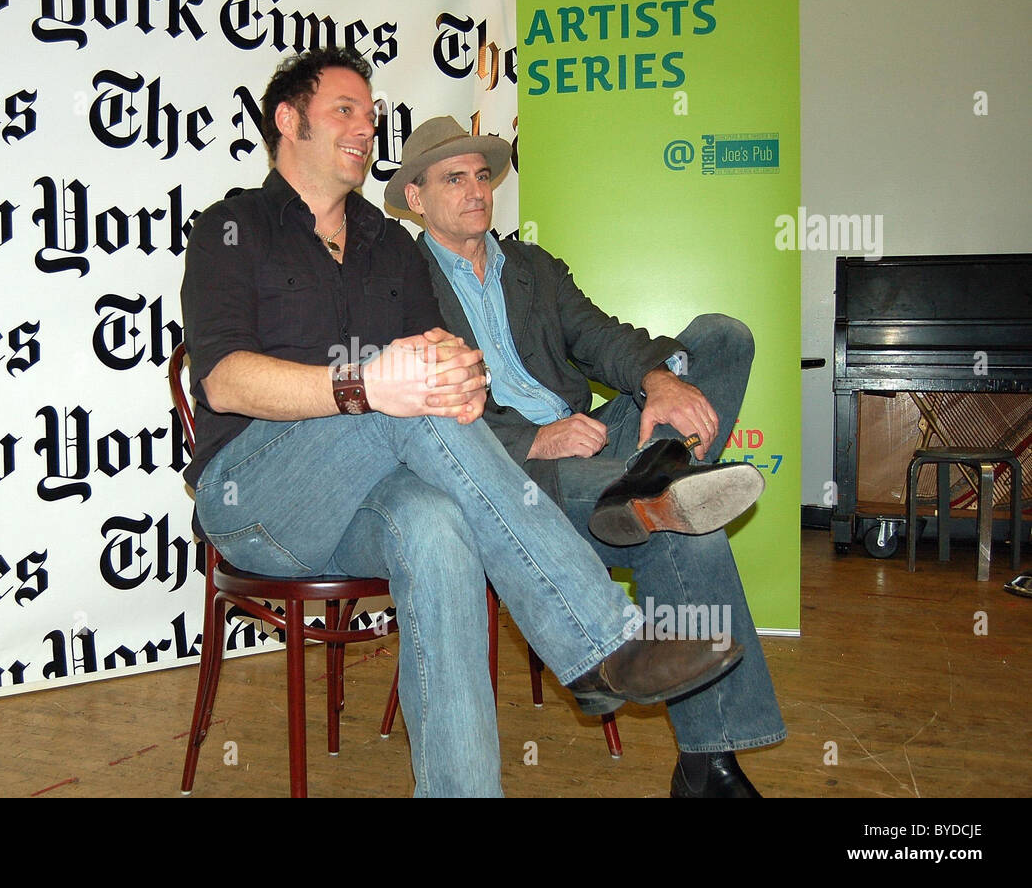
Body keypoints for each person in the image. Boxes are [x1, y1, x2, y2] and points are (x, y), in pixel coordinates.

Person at [180, 47, 743, 798]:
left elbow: (444, 362)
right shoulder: (232, 227)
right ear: (288, 120)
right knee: (398, 395)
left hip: (373, 492)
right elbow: (221, 380)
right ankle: (601, 641)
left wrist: (466, 387)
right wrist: (364, 384)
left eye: (371, 115)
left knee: (436, 527)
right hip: (255, 495)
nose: (364, 127)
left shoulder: (389, 247)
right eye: (344, 109)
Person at [388, 115, 787, 797]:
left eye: (483, 175)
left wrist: (659, 380)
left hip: (595, 444)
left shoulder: (533, 269)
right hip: (505, 472)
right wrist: (535, 439)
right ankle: (709, 766)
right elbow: (416, 409)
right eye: (454, 178)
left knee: (721, 338)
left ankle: (648, 478)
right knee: (690, 533)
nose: (477, 189)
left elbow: (604, 338)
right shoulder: (398, 282)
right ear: (417, 198)